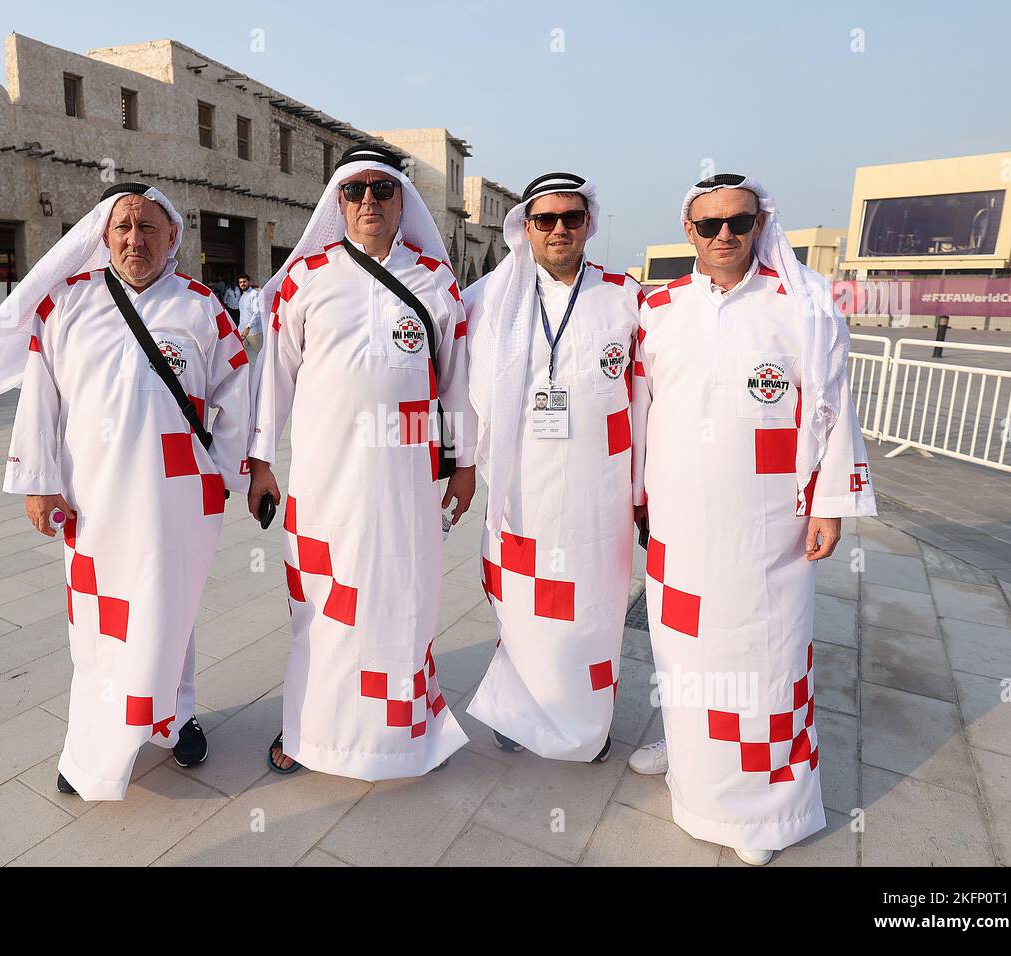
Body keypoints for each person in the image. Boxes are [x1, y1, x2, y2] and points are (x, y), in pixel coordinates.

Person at [0, 182, 252, 800]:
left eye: (148, 227)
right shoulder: (66, 305)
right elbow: (40, 399)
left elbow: (235, 398)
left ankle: (174, 719)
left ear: (173, 236)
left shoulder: (202, 307)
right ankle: (93, 745)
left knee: (169, 614)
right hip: (92, 502)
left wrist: (231, 475)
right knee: (98, 624)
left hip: (180, 500)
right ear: (104, 234)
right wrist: (38, 485)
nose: (134, 239)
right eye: (123, 227)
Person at [628, 173, 876, 863]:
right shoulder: (661, 308)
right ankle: (687, 759)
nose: (725, 236)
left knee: (763, 657)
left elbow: (835, 407)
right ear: (691, 233)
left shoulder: (802, 304)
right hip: (679, 523)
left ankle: (760, 814)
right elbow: (637, 408)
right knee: (684, 653)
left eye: (739, 222)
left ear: (761, 221)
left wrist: (831, 502)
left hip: (767, 525)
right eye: (710, 226)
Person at [248, 143, 477, 779]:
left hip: (405, 484)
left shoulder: (435, 280)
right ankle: (309, 732)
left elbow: (456, 382)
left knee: (403, 601)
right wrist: (262, 461)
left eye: (383, 189)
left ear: (403, 199)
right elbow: (276, 378)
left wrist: (465, 464)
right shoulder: (307, 278)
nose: (369, 201)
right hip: (325, 485)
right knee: (321, 607)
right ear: (339, 202)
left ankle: (403, 737)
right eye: (356, 191)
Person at [464, 172, 643, 763]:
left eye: (572, 218)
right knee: (522, 605)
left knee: (593, 606)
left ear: (589, 222)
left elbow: (654, 395)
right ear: (526, 228)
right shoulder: (492, 297)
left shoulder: (626, 295)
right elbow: (455, 387)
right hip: (522, 484)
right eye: (546, 220)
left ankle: (585, 720)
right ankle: (520, 711)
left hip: (601, 488)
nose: (559, 229)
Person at [234, 274, 263, 356]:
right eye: (240, 282)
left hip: (254, 332)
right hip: (242, 332)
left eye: (244, 282)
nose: (242, 284)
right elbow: (243, 315)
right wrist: (239, 329)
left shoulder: (254, 294)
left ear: (249, 282)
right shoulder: (243, 296)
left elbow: (257, 312)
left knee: (262, 355)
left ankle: (269, 369)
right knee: (239, 354)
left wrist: (248, 327)